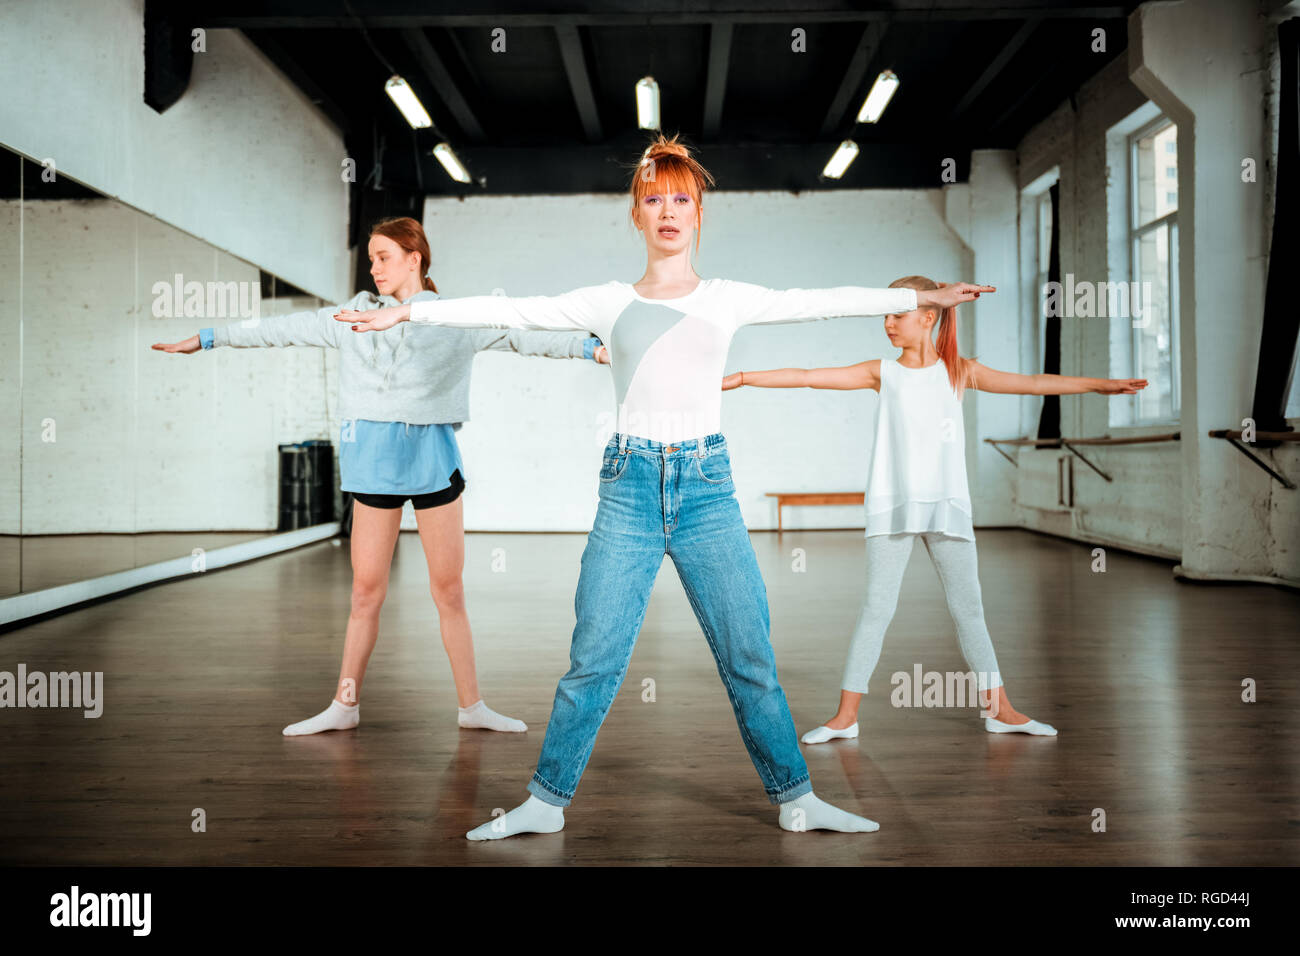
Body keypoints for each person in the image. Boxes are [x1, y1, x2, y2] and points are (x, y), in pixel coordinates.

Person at [336, 135, 991, 838]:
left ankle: (796, 798)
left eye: (682, 200)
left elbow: (818, 301)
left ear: (699, 213)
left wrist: (922, 296)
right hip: (629, 486)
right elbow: (512, 311)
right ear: (638, 216)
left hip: (707, 486)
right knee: (592, 658)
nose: (669, 212)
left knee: (750, 655)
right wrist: (408, 311)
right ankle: (545, 802)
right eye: (655, 200)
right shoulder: (608, 301)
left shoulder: (728, 298)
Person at [151, 216, 610, 737]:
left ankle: (472, 706)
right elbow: (277, 329)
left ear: (415, 259)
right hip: (372, 462)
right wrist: (207, 338)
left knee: (449, 591)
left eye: (384, 257)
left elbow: (520, 336)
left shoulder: (455, 319)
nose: (374, 268)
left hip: (433, 458)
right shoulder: (347, 317)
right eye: (370, 258)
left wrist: (588, 347)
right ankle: (344, 705)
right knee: (366, 593)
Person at [724, 274, 1147, 742]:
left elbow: (1032, 383)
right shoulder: (880, 372)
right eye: (884, 314)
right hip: (893, 505)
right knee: (876, 610)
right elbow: (806, 377)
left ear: (928, 316)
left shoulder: (959, 371)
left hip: (947, 505)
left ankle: (999, 709)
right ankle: (845, 717)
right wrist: (744, 378)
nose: (886, 323)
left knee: (970, 611)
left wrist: (1098, 386)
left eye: (896, 314)